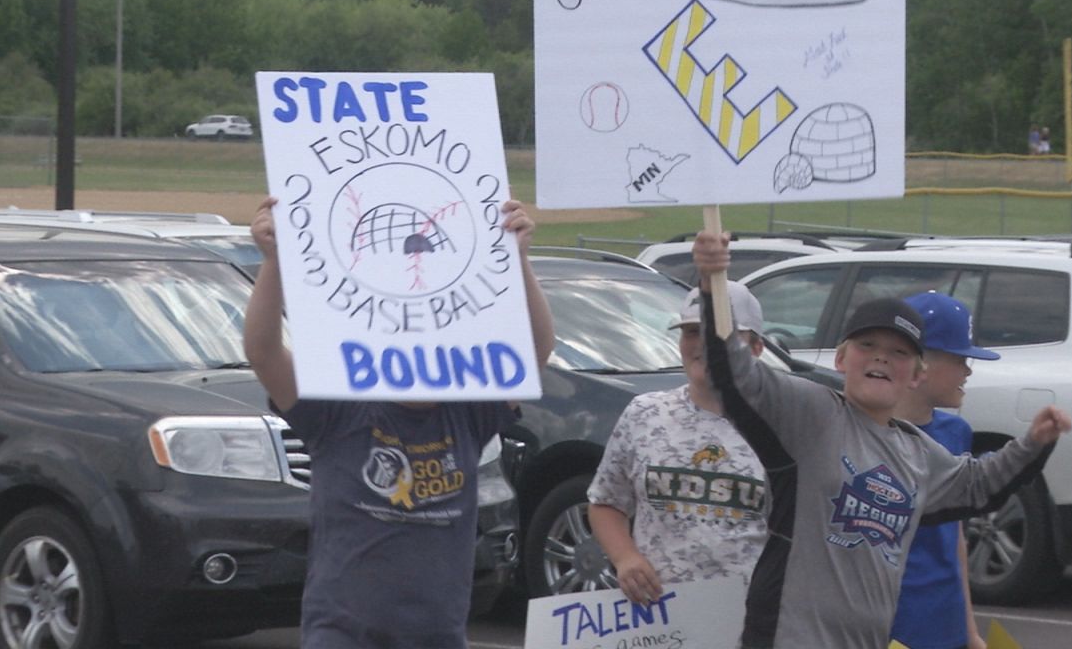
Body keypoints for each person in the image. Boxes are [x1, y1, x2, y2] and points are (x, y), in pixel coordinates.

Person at [690, 230, 1071, 649]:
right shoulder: (810, 413)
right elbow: (736, 373)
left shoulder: (917, 452)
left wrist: (1034, 441)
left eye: (899, 352)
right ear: (840, 359)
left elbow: (977, 486)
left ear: (916, 374)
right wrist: (713, 285)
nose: (881, 357)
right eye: (867, 345)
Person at [242, 196, 555, 649]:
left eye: (436, 345)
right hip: (344, 635)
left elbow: (536, 349)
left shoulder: (466, 414)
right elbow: (263, 352)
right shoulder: (338, 411)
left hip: (436, 636)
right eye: (410, 345)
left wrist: (518, 259)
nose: (423, 356)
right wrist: (273, 262)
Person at [588, 282, 770, 605]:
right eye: (691, 332)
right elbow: (605, 502)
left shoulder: (783, 425)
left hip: (750, 619)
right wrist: (625, 557)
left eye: (721, 335)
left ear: (756, 348)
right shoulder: (645, 413)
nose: (703, 344)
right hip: (659, 619)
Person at [890, 292, 999, 649]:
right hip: (890, 618)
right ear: (921, 364)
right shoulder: (866, 434)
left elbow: (955, 540)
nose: (968, 370)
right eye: (959, 359)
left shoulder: (956, 433)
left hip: (945, 622)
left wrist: (970, 631)